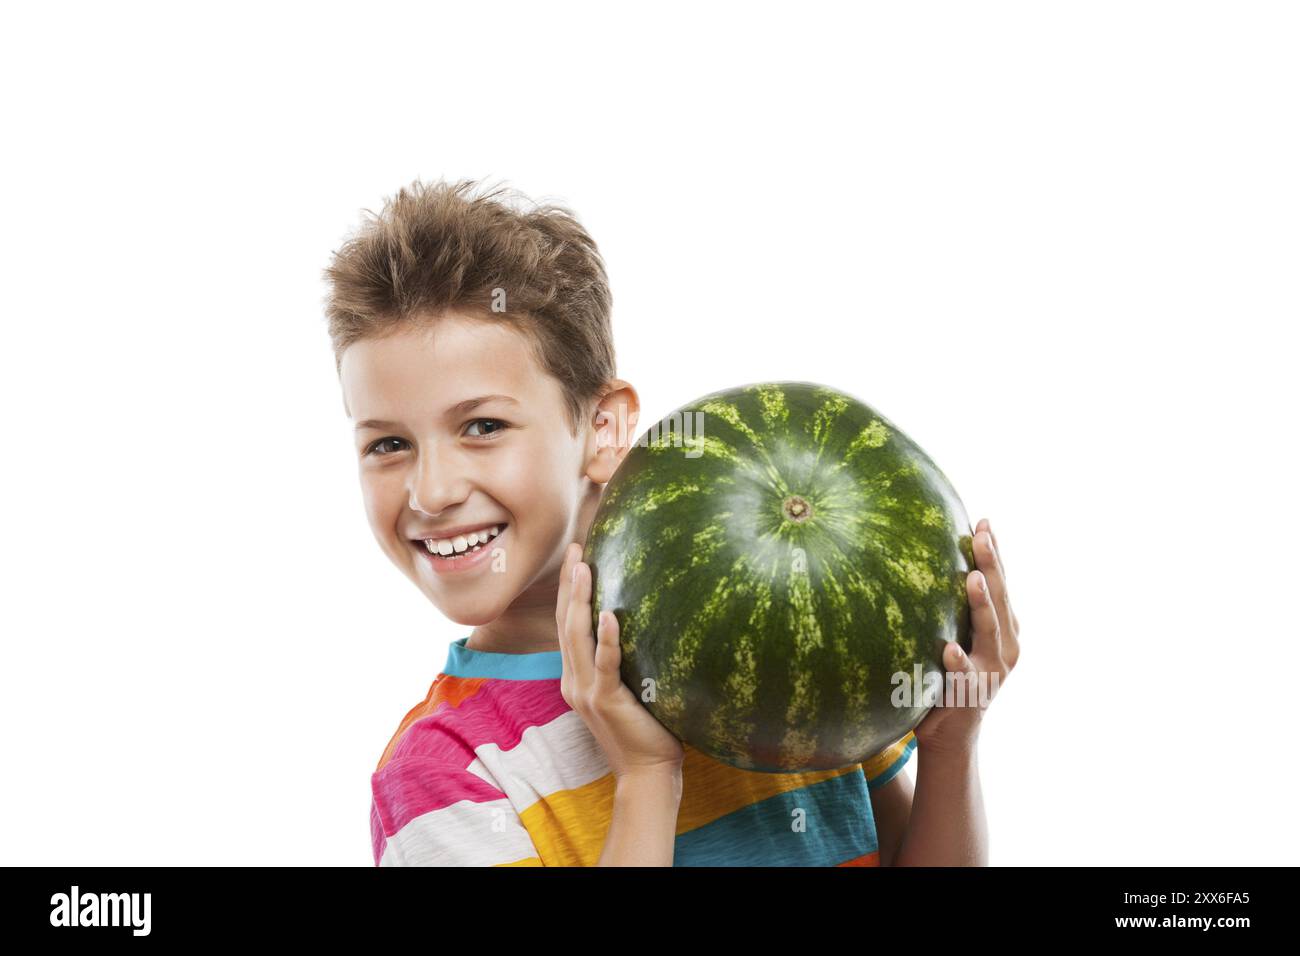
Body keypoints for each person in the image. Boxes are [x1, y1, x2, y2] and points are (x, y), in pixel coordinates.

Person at [322, 178, 1020, 866]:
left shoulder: (784, 622)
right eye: (388, 444)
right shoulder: (442, 774)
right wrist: (646, 778)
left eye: (482, 425)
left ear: (603, 427)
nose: (433, 491)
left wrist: (952, 744)